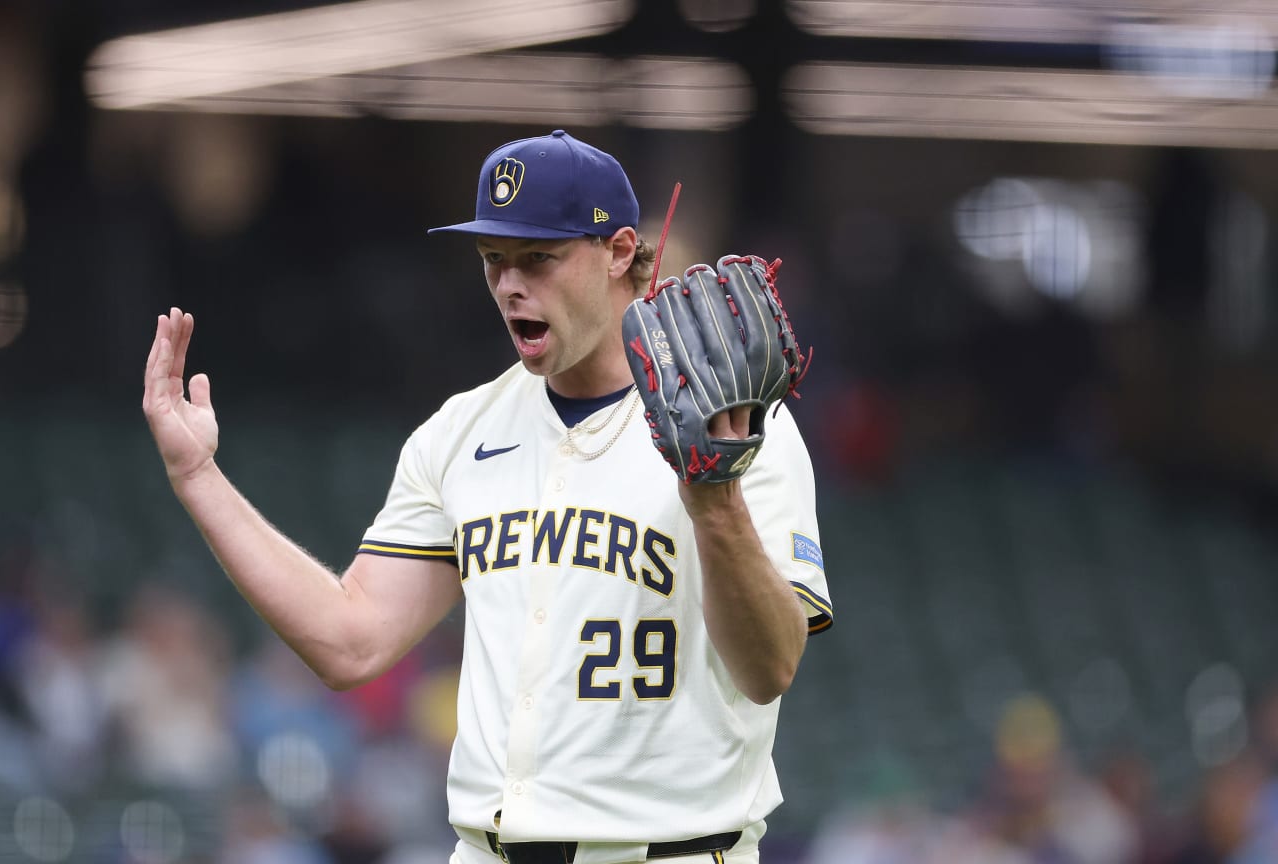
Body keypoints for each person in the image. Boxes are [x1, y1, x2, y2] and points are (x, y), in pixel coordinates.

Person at [142, 129, 833, 863]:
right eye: (493, 260)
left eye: (539, 257)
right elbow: (350, 641)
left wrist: (714, 499)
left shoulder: (743, 424)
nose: (510, 285)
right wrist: (198, 478)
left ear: (622, 252)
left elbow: (770, 671)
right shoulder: (460, 432)